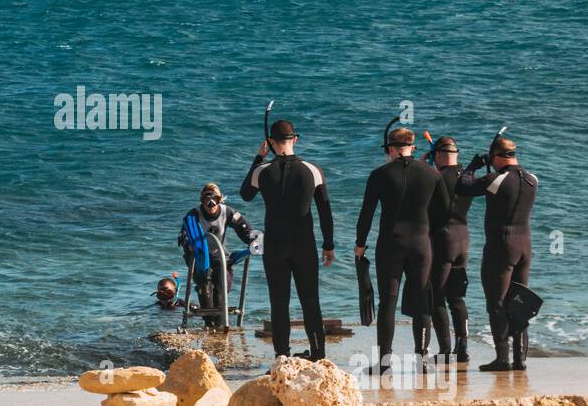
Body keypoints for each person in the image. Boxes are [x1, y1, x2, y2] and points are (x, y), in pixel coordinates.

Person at [354, 126, 451, 374]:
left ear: (389, 149)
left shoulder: (379, 174)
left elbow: (367, 213)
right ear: (413, 148)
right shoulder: (431, 174)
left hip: (390, 244)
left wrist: (360, 243)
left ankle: (385, 362)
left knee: (388, 301)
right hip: (421, 244)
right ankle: (422, 360)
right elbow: (444, 213)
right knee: (422, 300)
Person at [240, 119, 335, 360]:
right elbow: (325, 211)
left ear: (270, 142)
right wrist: (328, 244)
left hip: (275, 245)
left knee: (279, 302)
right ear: (295, 139)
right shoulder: (313, 170)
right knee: (310, 300)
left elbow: (245, 195)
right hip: (304, 244)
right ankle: (318, 354)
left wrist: (259, 157)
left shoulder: (262, 172)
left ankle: (282, 356)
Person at [456, 135, 538, 371]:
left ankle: (502, 359)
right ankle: (520, 359)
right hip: (525, 246)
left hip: (501, 247)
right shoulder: (533, 179)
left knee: (496, 302)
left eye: (492, 159)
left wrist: (471, 167)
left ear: (498, 157)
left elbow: (464, 187)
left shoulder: (498, 178)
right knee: (519, 302)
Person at [177, 182, 256, 327]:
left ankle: (220, 325)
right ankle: (209, 324)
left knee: (221, 289)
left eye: (215, 200)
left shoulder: (228, 212)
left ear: (220, 199)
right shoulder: (194, 214)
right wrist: (189, 245)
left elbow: (246, 231)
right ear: (202, 200)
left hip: (220, 256)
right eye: (207, 200)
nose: (211, 204)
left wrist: (255, 241)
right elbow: (182, 236)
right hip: (199, 258)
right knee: (205, 286)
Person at [428, 136, 475, 363]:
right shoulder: (468, 176)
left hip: (442, 241)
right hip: (463, 239)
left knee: (436, 297)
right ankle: (463, 348)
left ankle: (445, 351)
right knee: (456, 297)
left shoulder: (436, 176)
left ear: (437, 155)